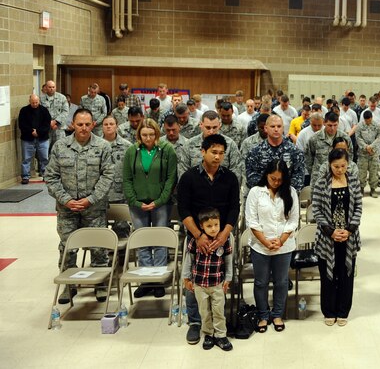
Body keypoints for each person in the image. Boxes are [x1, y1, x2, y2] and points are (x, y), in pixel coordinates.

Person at [45, 108, 114, 303]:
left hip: (94, 209)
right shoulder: (60, 147)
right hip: (67, 209)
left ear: (93, 124)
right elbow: (51, 177)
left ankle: (100, 285)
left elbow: (108, 176)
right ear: (72, 125)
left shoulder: (102, 147)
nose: (83, 128)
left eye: (87, 124)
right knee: (67, 248)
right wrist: (65, 199)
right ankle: (69, 286)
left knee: (99, 248)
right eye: (79, 124)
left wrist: (90, 199)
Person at [177, 134, 240, 345]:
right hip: (197, 236)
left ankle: (220, 324)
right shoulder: (188, 177)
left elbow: (234, 208)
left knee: (220, 278)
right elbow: (183, 209)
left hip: (222, 236)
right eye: (214, 152)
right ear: (203, 151)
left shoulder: (230, 177)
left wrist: (224, 234)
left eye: (222, 153)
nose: (218, 157)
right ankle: (196, 322)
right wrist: (198, 235)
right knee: (195, 279)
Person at [122, 118, 178, 298]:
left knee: (160, 240)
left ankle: (158, 279)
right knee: (143, 241)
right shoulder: (132, 151)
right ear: (139, 135)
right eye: (144, 135)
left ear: (157, 134)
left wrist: (160, 200)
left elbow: (171, 179)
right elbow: (127, 179)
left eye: (151, 135)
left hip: (160, 203)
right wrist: (135, 201)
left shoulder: (167, 150)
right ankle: (146, 280)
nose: (148, 138)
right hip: (138, 204)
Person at [245, 160, 299, 333]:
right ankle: (263, 315)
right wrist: (265, 241)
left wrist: (281, 240)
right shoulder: (256, 192)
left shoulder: (290, 192)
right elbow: (251, 220)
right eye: (272, 178)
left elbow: (293, 220)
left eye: (279, 179)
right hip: (260, 246)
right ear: (266, 175)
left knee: (281, 282)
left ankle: (277, 314)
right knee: (261, 282)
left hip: (283, 246)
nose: (276, 182)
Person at [311, 148, 363, 326]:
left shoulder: (354, 181)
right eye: (336, 166)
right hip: (327, 238)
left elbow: (358, 208)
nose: (340, 170)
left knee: (346, 274)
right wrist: (331, 231)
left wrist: (349, 230)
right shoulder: (322, 183)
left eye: (343, 166)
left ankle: (343, 310)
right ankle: (329, 310)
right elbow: (316, 209)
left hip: (348, 237)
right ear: (329, 165)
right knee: (328, 276)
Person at [182, 208, 233, 351]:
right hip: (200, 285)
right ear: (201, 226)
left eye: (216, 225)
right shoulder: (195, 241)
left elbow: (228, 261)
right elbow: (189, 260)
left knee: (218, 311)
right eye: (209, 226)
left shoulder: (224, 241)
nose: (213, 229)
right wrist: (186, 278)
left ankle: (221, 335)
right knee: (204, 311)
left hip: (217, 284)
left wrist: (228, 278)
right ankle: (208, 334)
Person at [245, 114, 305, 192]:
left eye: (279, 126)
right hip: (263, 196)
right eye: (272, 126)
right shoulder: (254, 152)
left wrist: (282, 189)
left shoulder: (295, 152)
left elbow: (299, 176)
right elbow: (251, 177)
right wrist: (269, 189)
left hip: (287, 196)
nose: (276, 129)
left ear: (283, 128)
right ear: (266, 128)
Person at [305, 111, 351, 187]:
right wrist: (315, 172)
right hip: (319, 178)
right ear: (324, 123)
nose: (332, 128)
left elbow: (350, 157)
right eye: (329, 125)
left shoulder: (345, 138)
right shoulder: (314, 138)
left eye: (335, 125)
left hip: (339, 177)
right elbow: (309, 158)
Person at [18, 94, 51, 184]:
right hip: (27, 139)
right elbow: (22, 124)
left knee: (44, 158)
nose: (35, 104)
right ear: (29, 102)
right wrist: (31, 131)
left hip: (42, 138)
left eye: (36, 102)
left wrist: (38, 132)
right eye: (33, 103)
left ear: (39, 101)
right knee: (26, 158)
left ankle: (46, 175)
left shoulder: (44, 111)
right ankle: (25, 176)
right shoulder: (24, 111)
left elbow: (47, 124)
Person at [356, 110, 380, 198]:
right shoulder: (360, 126)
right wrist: (366, 147)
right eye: (366, 120)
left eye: (369, 120)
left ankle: (373, 189)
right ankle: (361, 188)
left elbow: (379, 138)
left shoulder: (377, 126)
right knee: (362, 173)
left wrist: (371, 147)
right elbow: (358, 138)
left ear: (372, 118)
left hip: (374, 153)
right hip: (363, 154)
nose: (368, 122)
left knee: (374, 172)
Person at [40, 80, 69, 148]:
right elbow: (39, 113)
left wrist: (56, 122)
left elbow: (65, 111)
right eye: (49, 87)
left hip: (59, 128)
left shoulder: (62, 98)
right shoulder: (41, 99)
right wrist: (49, 123)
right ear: (46, 88)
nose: (51, 89)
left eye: (53, 87)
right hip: (46, 129)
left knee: (60, 149)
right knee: (45, 150)